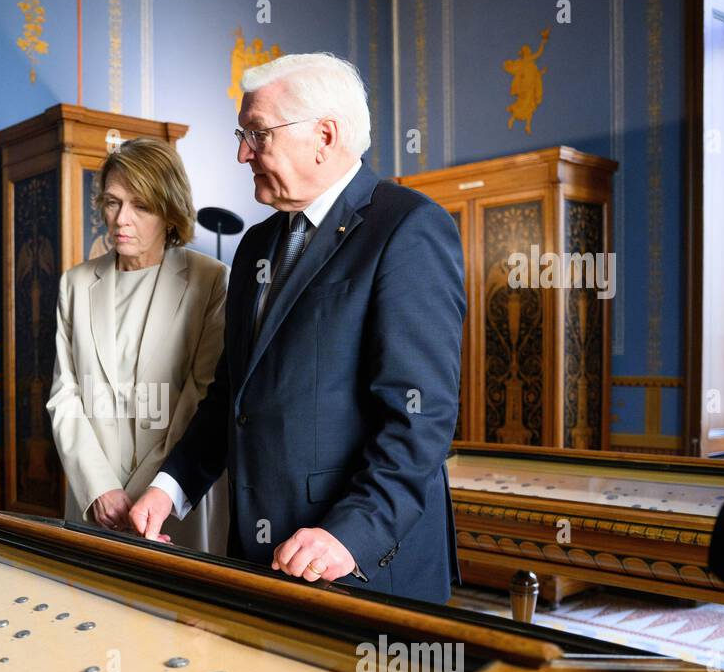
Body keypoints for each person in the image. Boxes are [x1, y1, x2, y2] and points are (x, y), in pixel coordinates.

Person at [129, 52, 466, 605]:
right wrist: (169, 489)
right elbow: (233, 395)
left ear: (324, 136)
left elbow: (418, 418)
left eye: (256, 134)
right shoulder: (256, 245)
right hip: (260, 553)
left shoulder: (409, 228)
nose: (242, 153)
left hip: (359, 562)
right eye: (242, 135)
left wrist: (349, 536)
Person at [47, 137, 229, 553]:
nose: (121, 220)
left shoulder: (211, 279)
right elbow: (64, 396)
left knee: (178, 615)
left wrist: (149, 490)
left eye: (141, 206)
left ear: (169, 211)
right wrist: (100, 488)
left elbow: (202, 398)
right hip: (95, 499)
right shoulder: (75, 283)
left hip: (173, 500)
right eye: (112, 203)